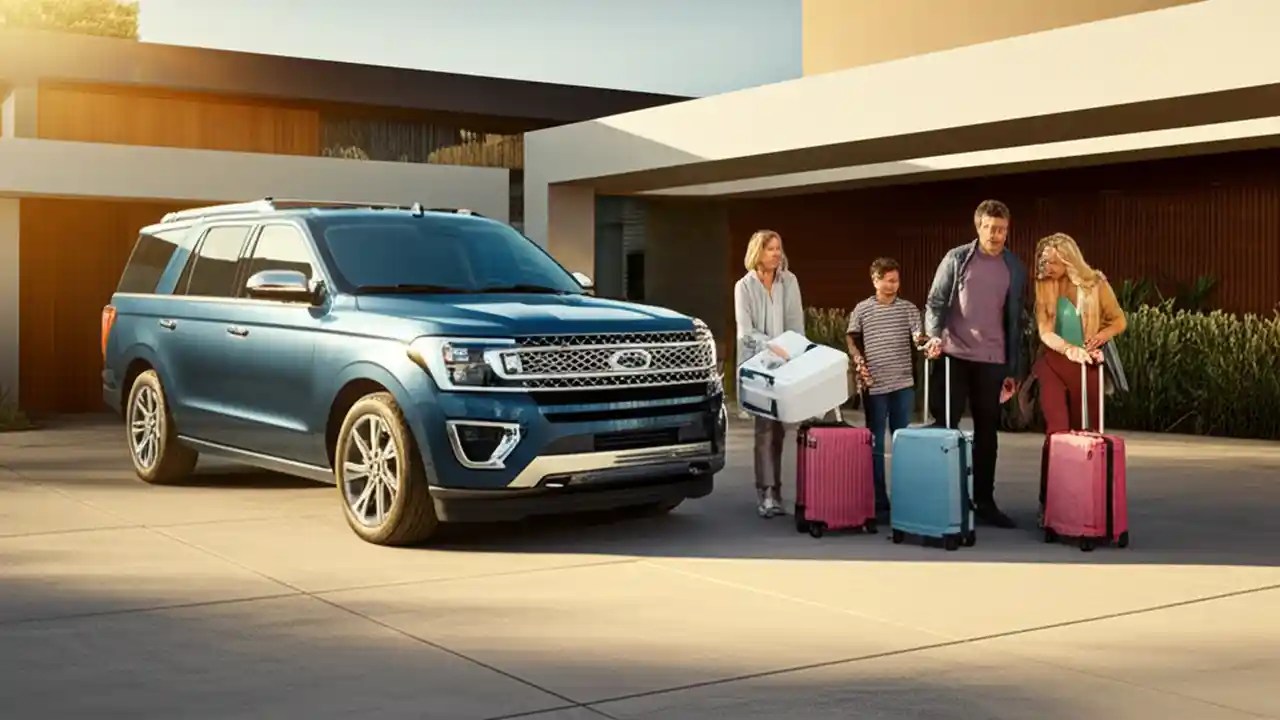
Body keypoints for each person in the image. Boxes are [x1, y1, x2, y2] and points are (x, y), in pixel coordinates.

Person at [921, 199, 1028, 529]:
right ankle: (942, 498)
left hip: (992, 361)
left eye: (1001, 229)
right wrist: (933, 337)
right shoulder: (957, 259)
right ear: (978, 227)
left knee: (987, 433)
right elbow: (935, 302)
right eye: (990, 228)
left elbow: (1016, 319)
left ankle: (984, 501)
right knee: (945, 426)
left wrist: (1013, 369)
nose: (995, 235)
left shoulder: (1014, 268)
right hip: (953, 356)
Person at [846, 257, 926, 520]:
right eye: (888, 281)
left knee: (902, 440)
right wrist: (859, 361)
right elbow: (852, 338)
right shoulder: (862, 310)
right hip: (875, 386)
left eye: (896, 281)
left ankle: (903, 496)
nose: (893, 285)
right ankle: (879, 500)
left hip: (902, 384)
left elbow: (918, 336)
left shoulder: (908, 309)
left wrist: (925, 342)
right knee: (876, 442)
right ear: (875, 280)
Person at [734, 229, 805, 519]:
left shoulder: (790, 281)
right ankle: (765, 493)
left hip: (786, 364)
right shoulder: (744, 286)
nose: (776, 253)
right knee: (764, 429)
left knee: (779, 430)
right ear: (757, 252)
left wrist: (793, 352)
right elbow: (745, 331)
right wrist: (772, 346)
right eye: (770, 249)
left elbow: (796, 324)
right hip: (758, 365)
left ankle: (776, 491)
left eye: (778, 248)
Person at [1033, 232, 1127, 435]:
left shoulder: (1096, 283)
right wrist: (1068, 349)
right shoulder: (1044, 285)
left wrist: (1102, 336)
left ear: (1068, 260)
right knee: (1056, 426)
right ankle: (1056, 456)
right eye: (1044, 262)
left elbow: (1119, 320)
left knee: (1087, 428)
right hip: (1054, 361)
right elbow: (1045, 332)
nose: (1047, 268)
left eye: (1053, 262)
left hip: (1087, 363)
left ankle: (1085, 457)